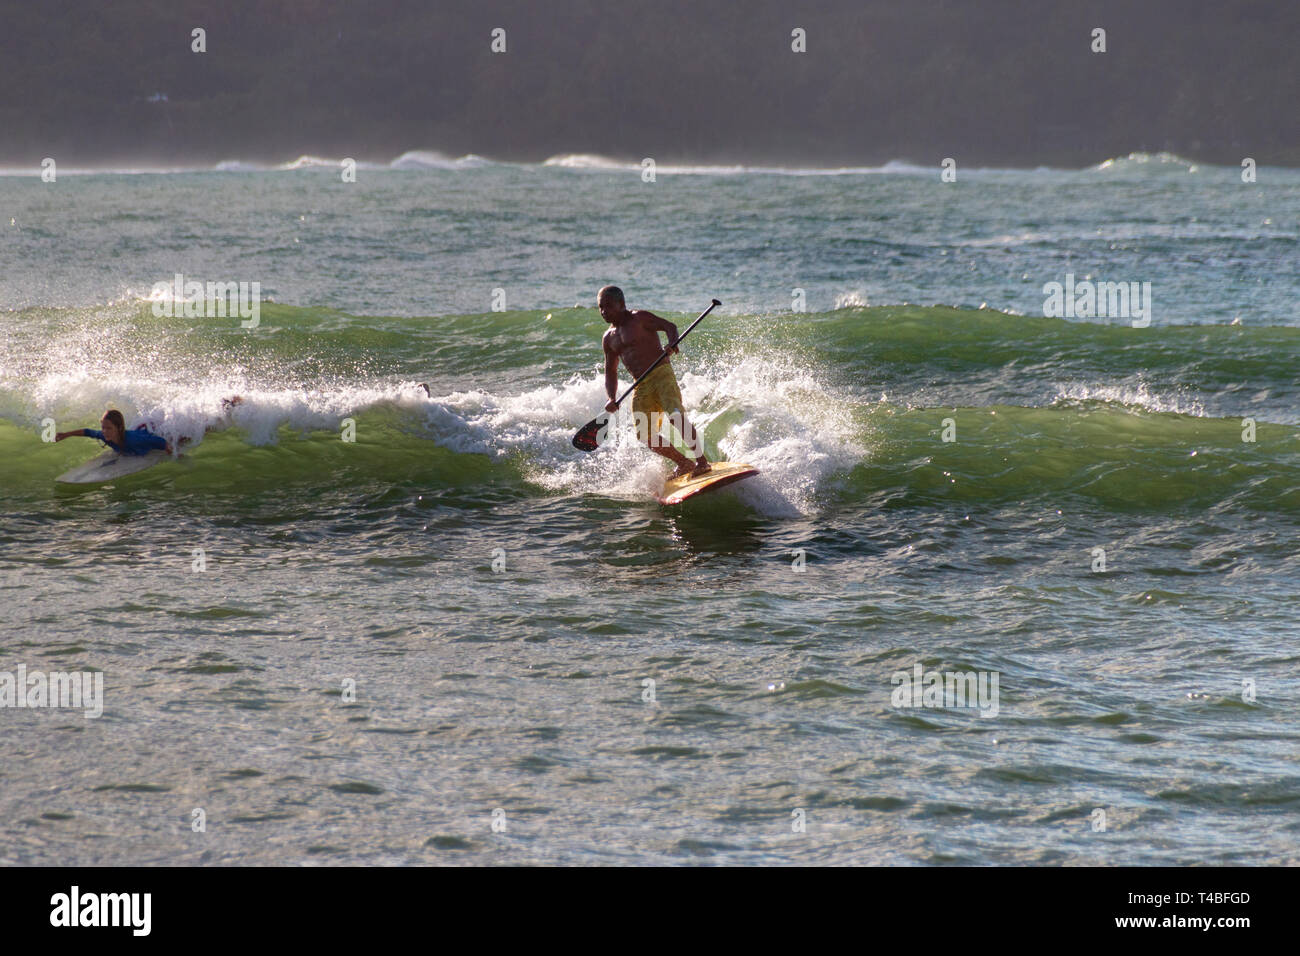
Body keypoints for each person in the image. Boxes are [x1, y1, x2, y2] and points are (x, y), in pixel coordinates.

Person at [598, 285, 710, 478]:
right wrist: (611, 397)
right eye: (600, 307)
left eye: (608, 306)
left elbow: (670, 327)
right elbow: (610, 370)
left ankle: (702, 462)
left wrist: (672, 343)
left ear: (621, 304)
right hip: (640, 384)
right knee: (644, 434)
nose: (603, 311)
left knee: (676, 416)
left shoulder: (639, 318)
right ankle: (684, 463)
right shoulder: (608, 338)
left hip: (661, 374)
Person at [55, 409, 172, 455]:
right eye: (103, 427)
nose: (105, 432)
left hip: (152, 430)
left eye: (109, 428)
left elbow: (161, 441)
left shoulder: (134, 440)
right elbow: (88, 432)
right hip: (139, 431)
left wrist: (172, 452)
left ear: (119, 428)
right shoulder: (105, 436)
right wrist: (66, 434)